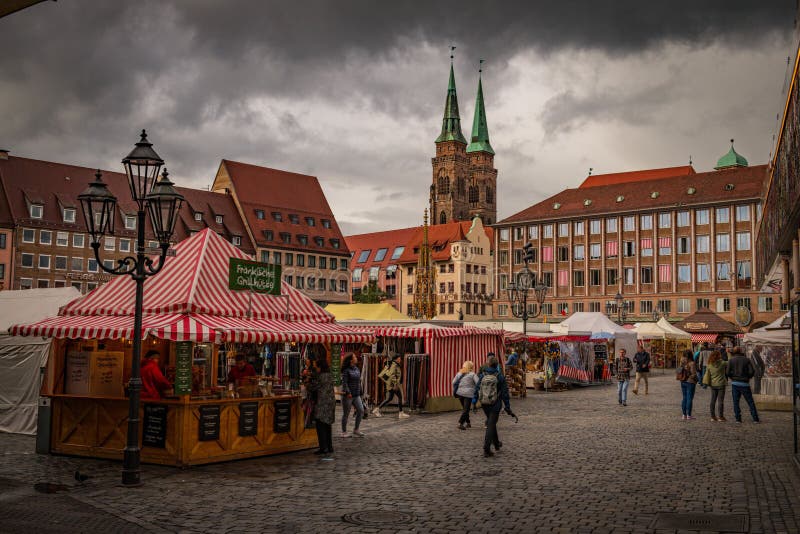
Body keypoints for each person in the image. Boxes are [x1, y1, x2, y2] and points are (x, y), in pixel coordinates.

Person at [472, 355, 514, 458]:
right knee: (491, 424)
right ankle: (486, 448)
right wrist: (507, 407)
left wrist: (474, 402)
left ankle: (496, 444)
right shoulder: (499, 376)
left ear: (488, 364)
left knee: (491, 422)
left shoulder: (482, 375)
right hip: (495, 404)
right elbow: (504, 393)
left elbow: (477, 388)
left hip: (485, 403)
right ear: (497, 365)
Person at [307, 357, 335, 455]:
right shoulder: (329, 375)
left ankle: (323, 448)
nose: (316, 369)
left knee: (320, 425)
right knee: (328, 425)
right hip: (330, 403)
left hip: (322, 404)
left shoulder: (320, 377)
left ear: (320, 367)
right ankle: (329, 446)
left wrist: (307, 382)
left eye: (316, 367)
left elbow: (312, 387)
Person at [726, 347, 760, 424]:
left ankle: (738, 419)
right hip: (745, 383)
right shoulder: (746, 360)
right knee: (750, 402)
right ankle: (755, 418)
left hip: (735, 383)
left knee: (736, 402)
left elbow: (727, 372)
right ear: (741, 351)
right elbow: (752, 371)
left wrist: (732, 377)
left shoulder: (731, 360)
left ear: (733, 352)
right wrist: (748, 377)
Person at [373, 354, 410, 419]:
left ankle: (377, 409)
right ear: (396, 359)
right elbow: (392, 375)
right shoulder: (394, 365)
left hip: (390, 385)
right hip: (393, 385)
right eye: (399, 358)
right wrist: (395, 384)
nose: (400, 359)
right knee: (400, 397)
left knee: (389, 398)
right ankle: (401, 413)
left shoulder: (394, 364)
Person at [340, 354, 366, 437]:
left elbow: (358, 382)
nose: (356, 358)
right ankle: (344, 432)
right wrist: (348, 392)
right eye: (354, 357)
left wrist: (360, 392)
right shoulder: (346, 370)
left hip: (356, 394)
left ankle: (356, 429)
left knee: (361, 410)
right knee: (346, 414)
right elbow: (344, 383)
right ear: (351, 360)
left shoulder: (357, 368)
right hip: (348, 395)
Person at [703, 350, 728, 422]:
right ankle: (721, 416)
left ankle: (713, 417)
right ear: (719, 356)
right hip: (721, 384)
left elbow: (707, 375)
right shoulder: (722, 363)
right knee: (720, 401)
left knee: (713, 400)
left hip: (713, 385)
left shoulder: (709, 365)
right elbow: (730, 362)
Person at [453, 360, 479, 430]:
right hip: (468, 394)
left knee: (465, 409)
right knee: (466, 410)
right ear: (471, 367)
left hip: (460, 393)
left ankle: (468, 423)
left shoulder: (459, 373)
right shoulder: (473, 374)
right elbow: (478, 383)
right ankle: (460, 423)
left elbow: (453, 382)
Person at [678, 349, 698, 420]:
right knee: (689, 398)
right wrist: (696, 378)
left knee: (684, 397)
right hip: (690, 382)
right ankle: (689, 415)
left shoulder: (681, 362)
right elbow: (693, 374)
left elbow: (679, 370)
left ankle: (684, 415)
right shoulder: (692, 363)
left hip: (683, 380)